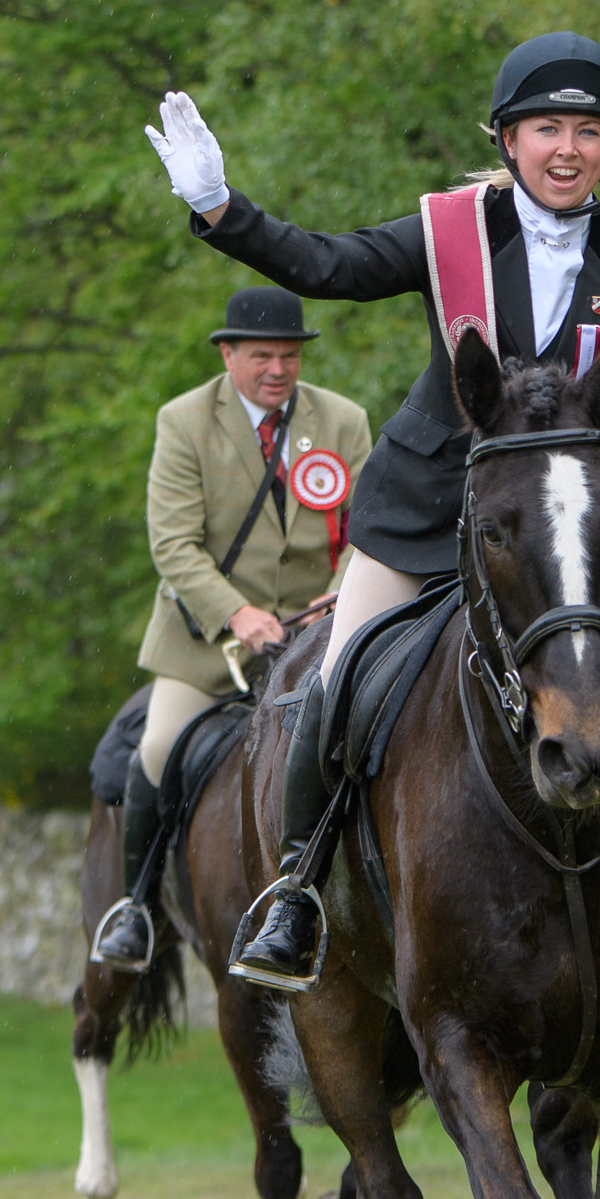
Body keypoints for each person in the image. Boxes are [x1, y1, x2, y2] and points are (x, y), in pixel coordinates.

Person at [143, 31, 600, 984]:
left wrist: (581, 490)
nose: (567, 149)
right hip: (429, 504)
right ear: (507, 140)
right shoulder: (449, 231)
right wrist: (219, 205)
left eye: (590, 132)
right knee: (332, 686)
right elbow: (328, 265)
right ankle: (296, 890)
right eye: (547, 127)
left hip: (582, 520)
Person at [90, 288, 372, 969]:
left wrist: (339, 599)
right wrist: (238, 615)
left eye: (289, 355)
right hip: (207, 641)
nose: (278, 369)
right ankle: (135, 909)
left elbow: (366, 533)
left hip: (317, 634)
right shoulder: (184, 420)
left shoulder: (342, 420)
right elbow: (174, 545)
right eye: (262, 356)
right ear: (229, 354)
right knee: (157, 746)